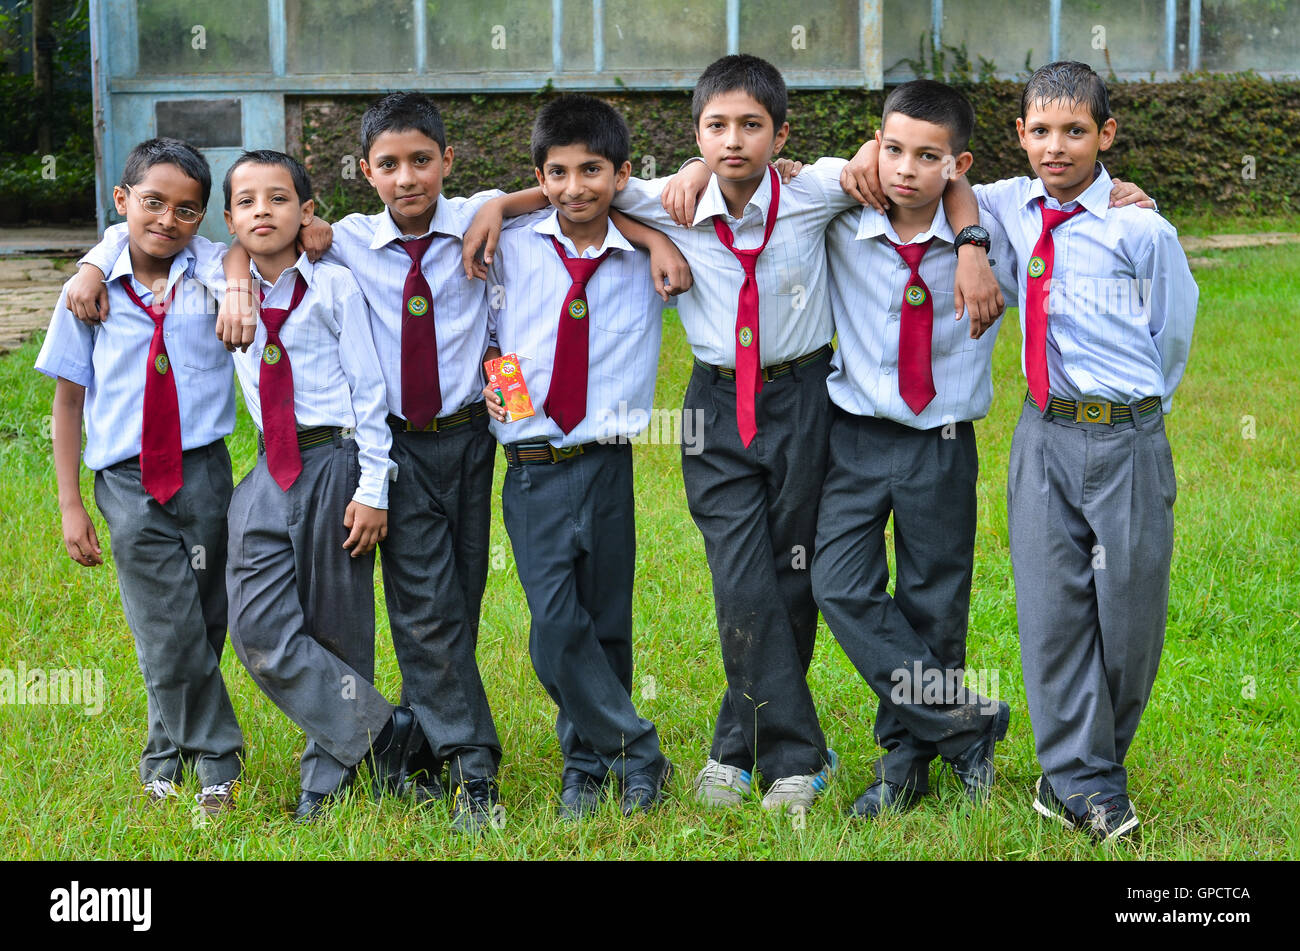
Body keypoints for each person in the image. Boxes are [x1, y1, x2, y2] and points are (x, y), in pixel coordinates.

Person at [975, 61, 1197, 842]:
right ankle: (1085, 783)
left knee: (1129, 618)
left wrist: (1134, 416)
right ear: (1021, 136)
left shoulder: (1142, 227)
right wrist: (973, 244)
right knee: (1053, 614)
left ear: (1106, 134)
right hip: (1042, 433)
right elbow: (932, 173)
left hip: (1126, 438)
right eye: (1040, 131)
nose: (1056, 146)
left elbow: (1172, 332)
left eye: (1075, 131)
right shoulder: (1006, 203)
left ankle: (1084, 766)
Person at [810, 80, 1018, 818]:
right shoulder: (842, 220)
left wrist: (971, 244)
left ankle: (905, 763)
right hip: (856, 437)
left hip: (943, 441)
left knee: (934, 600)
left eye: (928, 156)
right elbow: (772, 177)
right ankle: (966, 723)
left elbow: (1059, 198)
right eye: (892, 148)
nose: (905, 167)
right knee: (836, 584)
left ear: (957, 165)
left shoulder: (990, 234)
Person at [482, 94, 683, 818]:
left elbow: (699, 195)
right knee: (556, 626)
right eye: (558, 173)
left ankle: (588, 766)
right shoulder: (507, 242)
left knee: (606, 622)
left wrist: (651, 236)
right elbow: (484, 328)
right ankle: (639, 750)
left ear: (621, 173)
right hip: (533, 465)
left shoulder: (649, 248)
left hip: (607, 463)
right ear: (539, 175)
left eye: (592, 171)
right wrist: (490, 374)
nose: (575, 188)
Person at [34, 137, 244, 816]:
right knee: (165, 623)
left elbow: (252, 248)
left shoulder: (215, 272)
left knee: (202, 619)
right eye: (152, 202)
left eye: (188, 210)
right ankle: (219, 756)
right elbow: (68, 403)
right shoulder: (87, 296)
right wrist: (71, 503)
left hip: (205, 473)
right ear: (122, 201)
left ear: (202, 218)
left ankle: (162, 754)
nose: (167, 219)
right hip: (126, 481)